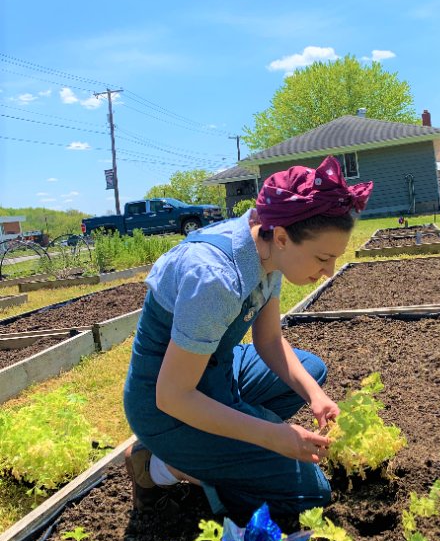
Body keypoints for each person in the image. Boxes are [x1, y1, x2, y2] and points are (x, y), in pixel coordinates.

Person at [123, 155, 373, 519]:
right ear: (284, 238)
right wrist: (275, 436)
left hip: (214, 369)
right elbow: (173, 395)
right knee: (309, 496)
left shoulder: (267, 244)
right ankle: (163, 466)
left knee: (310, 372)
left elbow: (269, 341)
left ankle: (221, 454)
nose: (328, 271)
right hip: (166, 407)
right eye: (322, 258)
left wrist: (316, 398)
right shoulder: (214, 278)